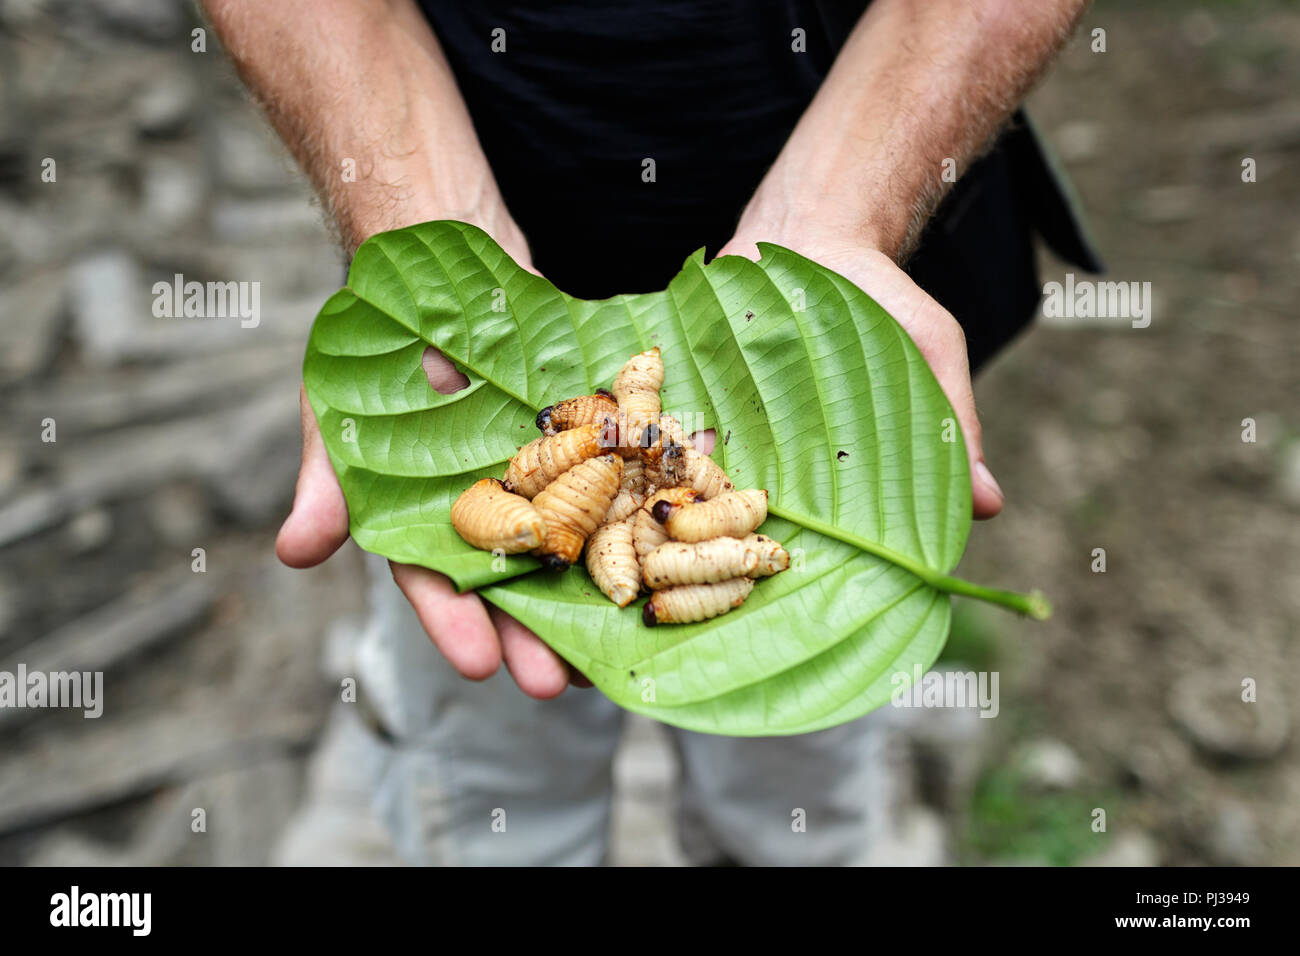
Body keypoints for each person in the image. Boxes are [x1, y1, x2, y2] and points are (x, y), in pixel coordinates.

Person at [203, 0, 1101, 864]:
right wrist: (414, 214)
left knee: (800, 778)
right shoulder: (606, 472)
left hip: (806, 355)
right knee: (493, 793)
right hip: (463, 338)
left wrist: (839, 223)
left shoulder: (662, 488)